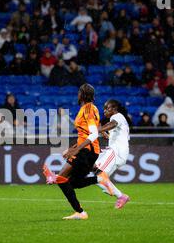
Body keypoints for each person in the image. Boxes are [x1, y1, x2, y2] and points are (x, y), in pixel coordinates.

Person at [42, 84, 109, 220]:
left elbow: (94, 133)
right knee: (72, 183)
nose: (77, 94)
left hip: (86, 151)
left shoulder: (88, 109)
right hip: (86, 150)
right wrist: (73, 148)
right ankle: (98, 179)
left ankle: (80, 212)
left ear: (83, 94)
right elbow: (87, 133)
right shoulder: (87, 108)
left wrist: (77, 149)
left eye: (79, 92)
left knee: (62, 178)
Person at [92, 100, 131, 208]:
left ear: (114, 109)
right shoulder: (120, 118)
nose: (104, 111)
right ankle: (119, 194)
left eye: (107, 108)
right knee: (97, 177)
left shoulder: (117, 116)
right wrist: (107, 135)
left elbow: (113, 124)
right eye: (104, 108)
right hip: (118, 151)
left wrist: (99, 130)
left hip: (116, 151)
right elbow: (119, 133)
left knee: (98, 174)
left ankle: (116, 193)